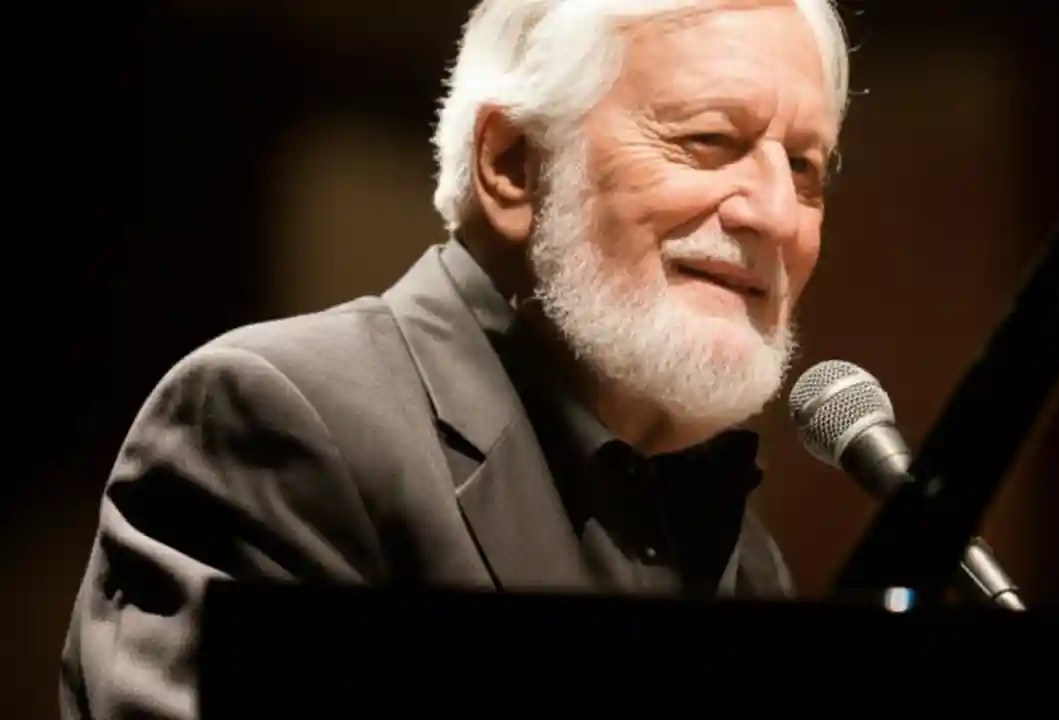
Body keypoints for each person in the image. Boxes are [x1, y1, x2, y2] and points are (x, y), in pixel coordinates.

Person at [59, 0, 852, 716]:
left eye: (805, 169)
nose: (778, 215)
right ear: (511, 164)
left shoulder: (742, 556)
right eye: (709, 140)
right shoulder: (280, 416)